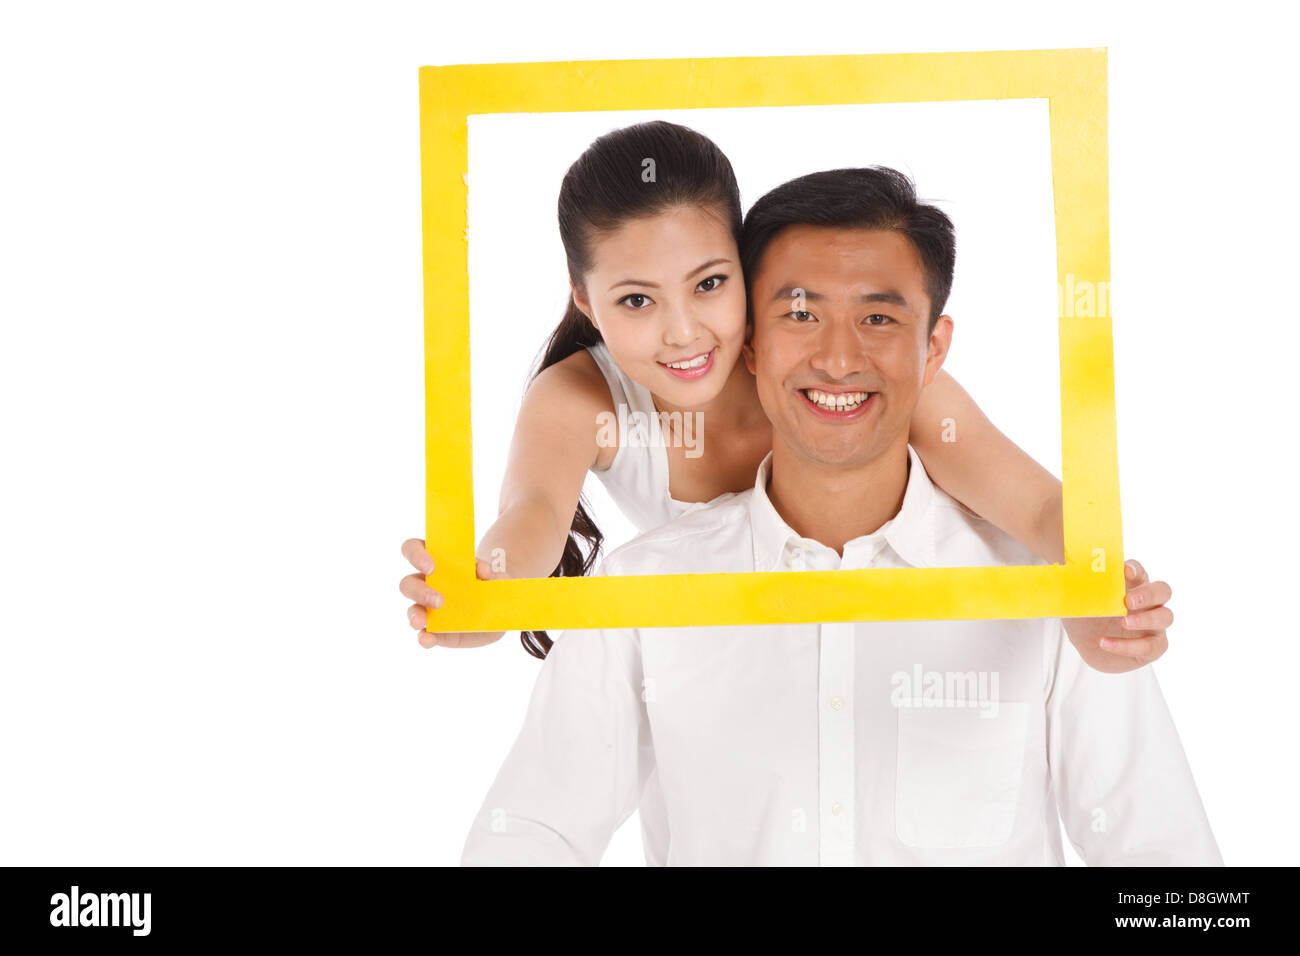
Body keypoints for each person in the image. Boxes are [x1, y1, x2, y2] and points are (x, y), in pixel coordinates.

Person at [458, 167, 1219, 866]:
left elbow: (1163, 855)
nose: (838, 357)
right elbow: (533, 831)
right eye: (799, 314)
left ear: (933, 351)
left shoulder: (1038, 585)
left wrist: (1091, 588)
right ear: (752, 343)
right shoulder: (635, 584)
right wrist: (484, 593)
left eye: (880, 320)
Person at [400, 120, 1166, 672]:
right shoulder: (577, 400)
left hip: (920, 630)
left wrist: (1097, 584)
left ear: (744, 267)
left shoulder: (826, 365)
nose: (683, 334)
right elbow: (530, 514)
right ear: (585, 301)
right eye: (636, 301)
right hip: (756, 654)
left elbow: (1034, 505)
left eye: (709, 284)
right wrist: (481, 592)